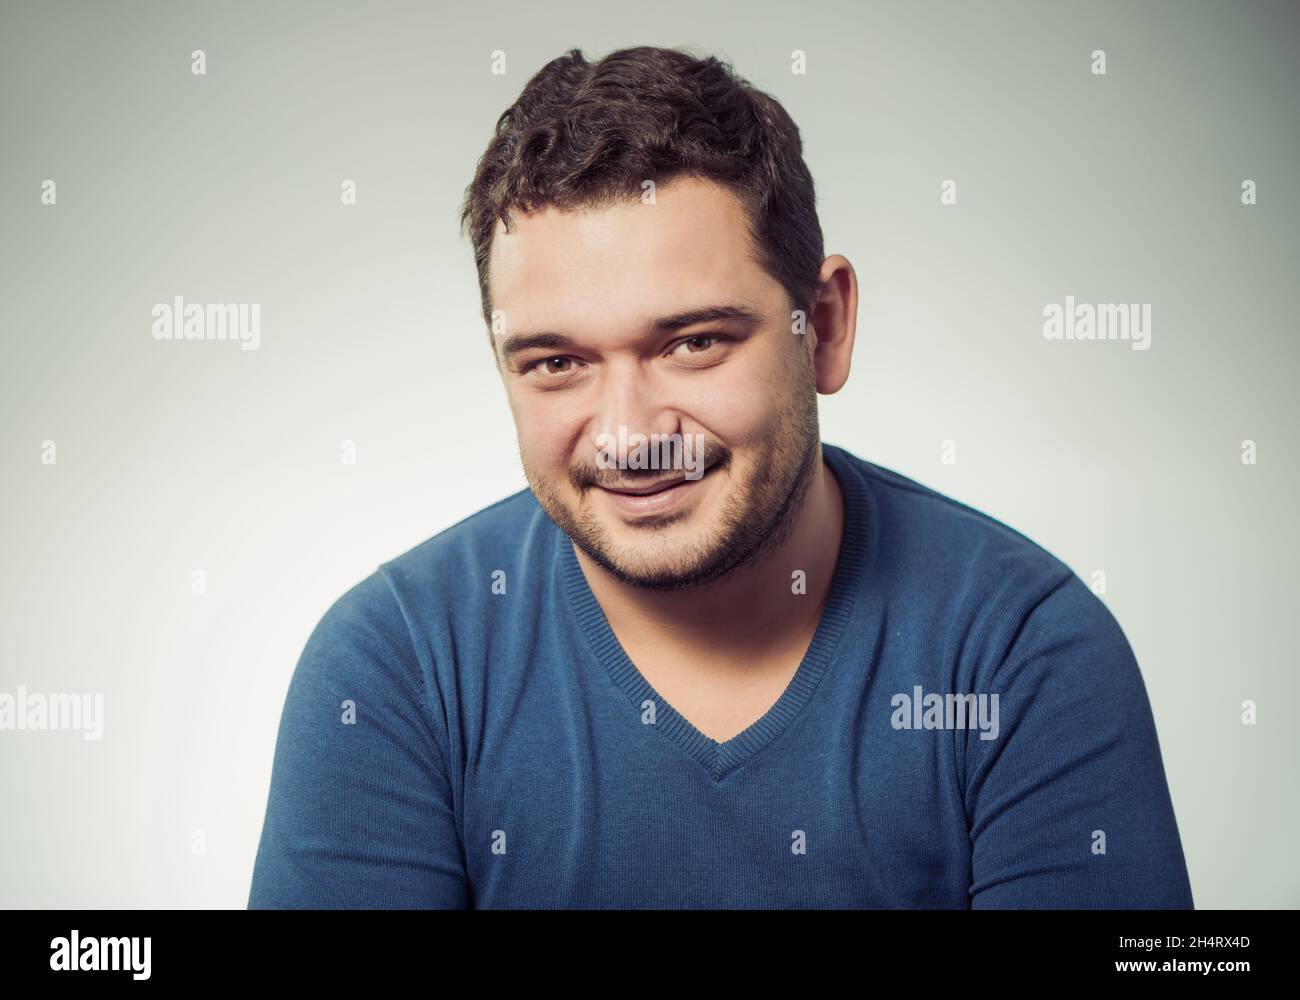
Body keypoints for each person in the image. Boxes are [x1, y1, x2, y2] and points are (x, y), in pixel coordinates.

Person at [248, 46, 1193, 909]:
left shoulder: (1023, 653)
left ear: (821, 326)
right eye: (556, 363)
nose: (628, 436)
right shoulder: (397, 667)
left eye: (694, 343)